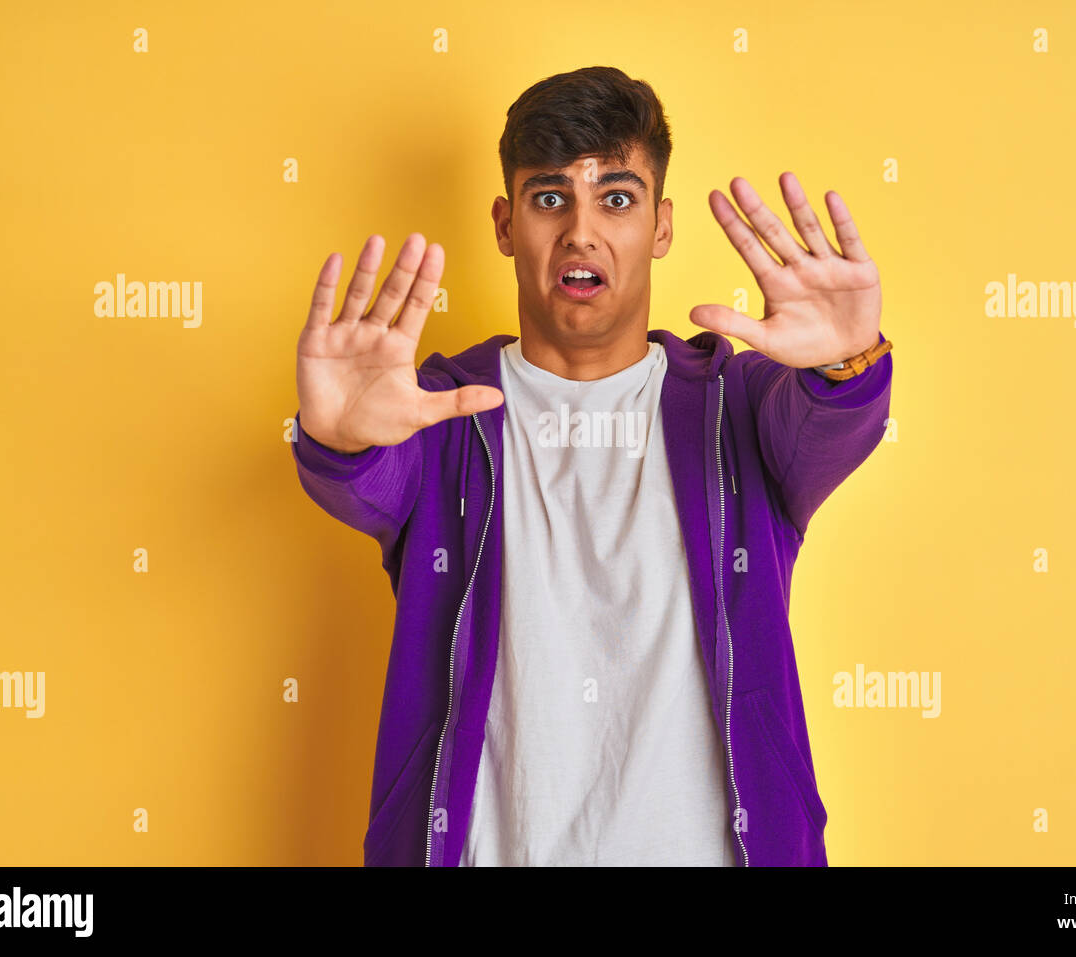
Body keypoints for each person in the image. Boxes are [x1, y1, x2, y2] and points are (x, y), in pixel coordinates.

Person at [291, 65, 893, 866]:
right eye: (549, 199)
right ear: (506, 225)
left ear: (662, 225)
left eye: (616, 198)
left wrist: (848, 363)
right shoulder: (440, 411)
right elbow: (367, 478)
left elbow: (829, 425)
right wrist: (338, 438)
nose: (581, 231)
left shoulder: (736, 407)